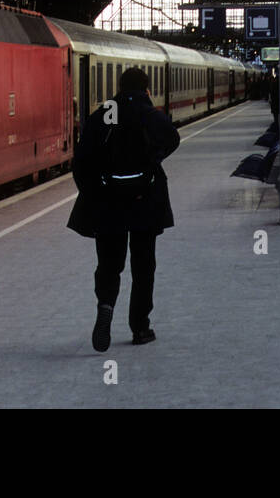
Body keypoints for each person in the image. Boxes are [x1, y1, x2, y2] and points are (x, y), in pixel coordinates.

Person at [67, 67, 180, 351]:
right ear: (146, 90)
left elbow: (80, 161)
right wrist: (152, 161)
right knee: (143, 267)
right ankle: (140, 327)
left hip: (108, 203)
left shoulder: (105, 114)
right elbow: (173, 138)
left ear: (118, 87)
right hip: (145, 202)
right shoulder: (149, 113)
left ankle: (105, 305)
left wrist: (94, 191)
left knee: (109, 264)